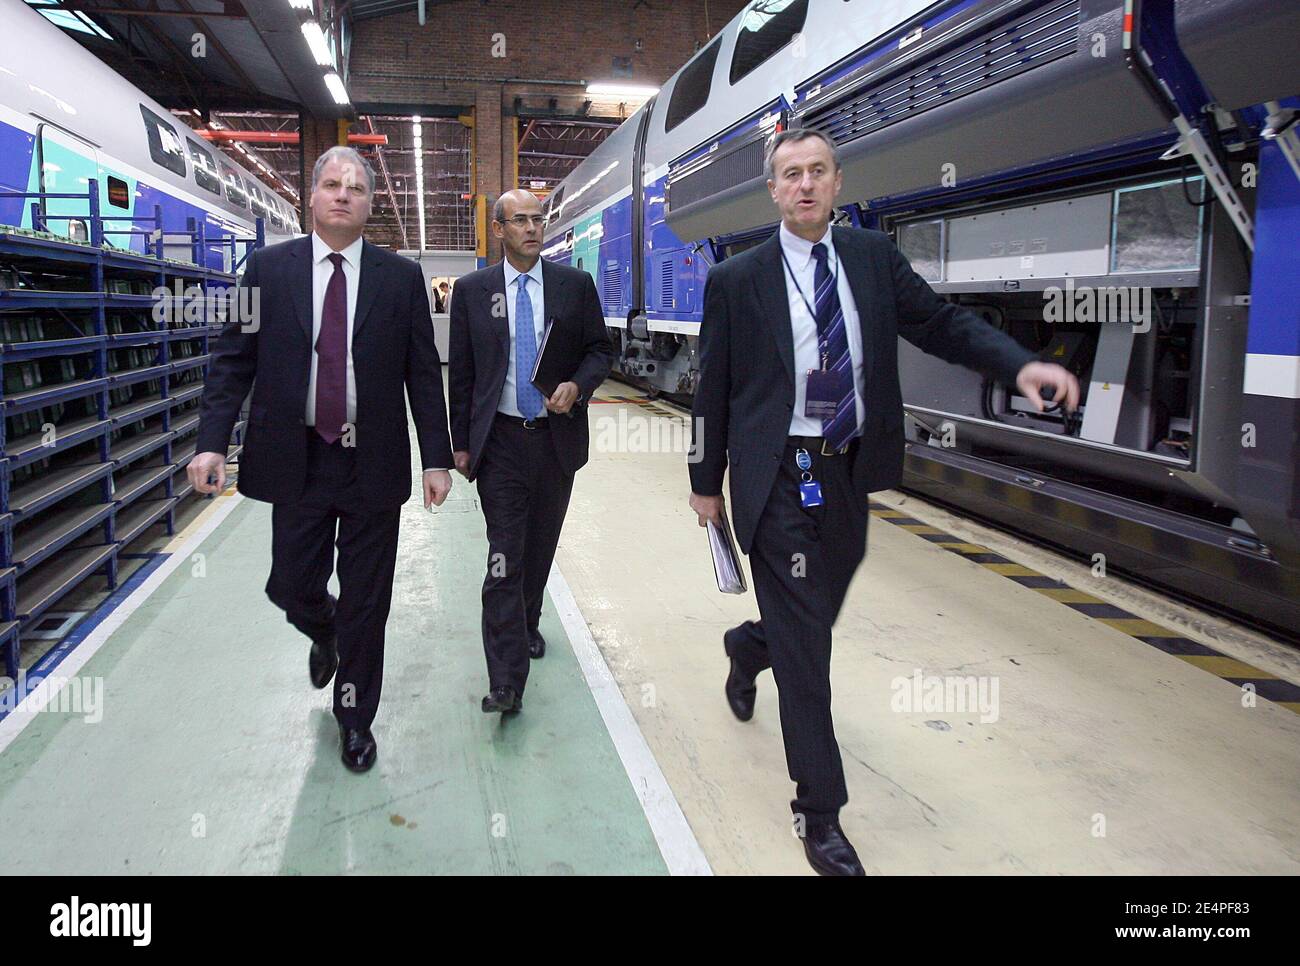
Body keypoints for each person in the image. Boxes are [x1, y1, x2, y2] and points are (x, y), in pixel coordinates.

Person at [687, 128, 1080, 875]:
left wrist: (1022, 365)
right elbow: (711, 386)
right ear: (772, 190)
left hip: (845, 471)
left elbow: (942, 324)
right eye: (790, 174)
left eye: (818, 172)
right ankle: (820, 810)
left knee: (808, 617)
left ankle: (747, 647)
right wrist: (705, 480)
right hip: (776, 472)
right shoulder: (737, 280)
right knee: (811, 648)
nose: (804, 185)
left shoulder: (872, 261)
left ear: (838, 183)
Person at [189, 145, 454, 773]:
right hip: (295, 456)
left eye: (356, 188)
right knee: (290, 583)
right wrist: (210, 442)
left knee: (369, 598)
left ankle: (355, 719)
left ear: (368, 205)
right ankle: (322, 627)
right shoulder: (268, 270)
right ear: (311, 198)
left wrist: (436, 459)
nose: (343, 194)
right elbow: (233, 360)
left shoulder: (399, 277)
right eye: (331, 184)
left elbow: (423, 371)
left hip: (374, 460)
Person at [448, 189, 614, 714]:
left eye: (537, 219)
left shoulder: (574, 286)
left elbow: (599, 349)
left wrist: (577, 386)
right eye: (518, 220)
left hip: (554, 441)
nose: (531, 228)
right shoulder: (473, 292)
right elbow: (463, 373)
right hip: (498, 442)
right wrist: (459, 444)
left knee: (539, 548)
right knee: (504, 555)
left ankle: (529, 620)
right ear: (498, 230)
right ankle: (506, 681)